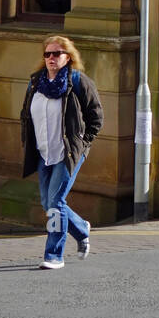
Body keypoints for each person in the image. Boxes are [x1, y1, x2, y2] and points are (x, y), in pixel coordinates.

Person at [20, 35, 103, 269]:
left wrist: (82, 144)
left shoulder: (77, 81)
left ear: (68, 56)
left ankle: (54, 255)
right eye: (47, 54)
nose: (51, 58)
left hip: (67, 154)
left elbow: (96, 117)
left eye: (56, 53)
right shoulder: (35, 83)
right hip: (43, 153)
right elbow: (26, 114)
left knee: (55, 203)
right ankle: (80, 227)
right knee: (48, 203)